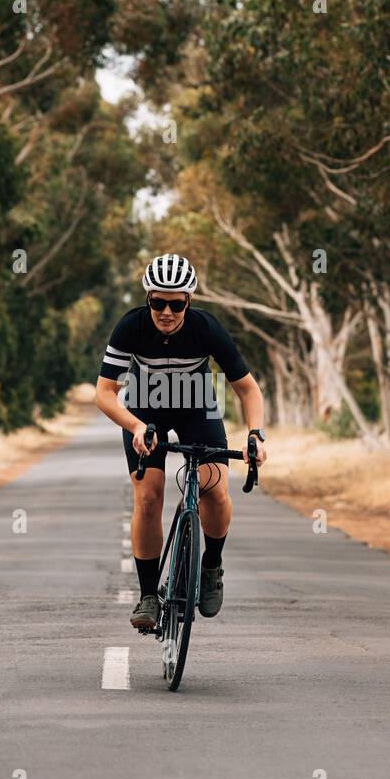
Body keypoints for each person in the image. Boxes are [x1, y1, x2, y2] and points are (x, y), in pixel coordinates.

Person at [94, 253, 267, 630]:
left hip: (197, 405)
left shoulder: (207, 328)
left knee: (216, 490)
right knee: (149, 495)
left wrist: (255, 433)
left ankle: (211, 566)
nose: (166, 312)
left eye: (176, 303)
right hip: (145, 408)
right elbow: (105, 393)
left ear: (189, 301)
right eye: (158, 302)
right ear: (147, 300)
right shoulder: (130, 328)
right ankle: (148, 597)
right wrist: (136, 426)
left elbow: (247, 389)